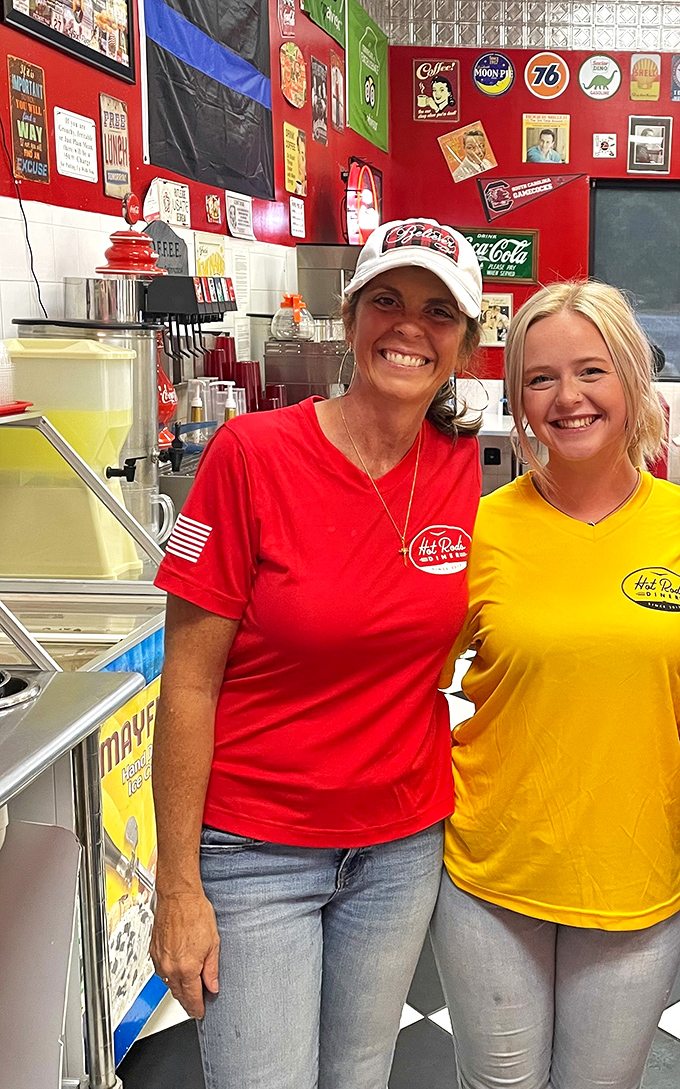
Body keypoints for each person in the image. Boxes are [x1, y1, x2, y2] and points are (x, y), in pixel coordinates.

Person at [150, 217, 484, 1089]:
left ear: (464, 343)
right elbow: (186, 682)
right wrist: (177, 884)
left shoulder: (465, 468)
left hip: (402, 844)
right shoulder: (251, 455)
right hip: (255, 848)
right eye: (388, 301)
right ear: (348, 317)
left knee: (360, 1075)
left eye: (438, 312)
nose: (410, 327)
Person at [431, 280, 680, 1089]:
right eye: (541, 378)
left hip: (637, 878)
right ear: (519, 401)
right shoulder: (482, 525)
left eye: (592, 371)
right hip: (491, 873)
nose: (567, 397)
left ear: (633, 381)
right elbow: (402, 681)